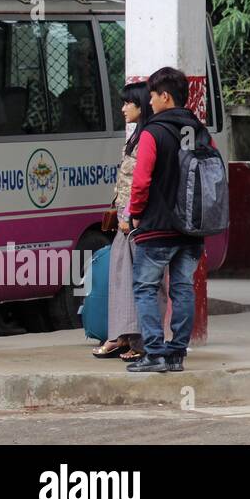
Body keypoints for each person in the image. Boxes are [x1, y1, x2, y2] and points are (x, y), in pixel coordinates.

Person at [125, 66, 212, 374]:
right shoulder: (200, 131)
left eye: (151, 95)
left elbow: (141, 181)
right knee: (182, 288)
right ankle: (176, 355)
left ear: (164, 96)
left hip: (157, 226)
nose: (149, 101)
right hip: (192, 228)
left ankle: (154, 352)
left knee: (146, 287)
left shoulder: (153, 132)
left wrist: (135, 213)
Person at [92, 82, 154, 362]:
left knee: (138, 282)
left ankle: (137, 341)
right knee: (120, 279)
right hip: (124, 221)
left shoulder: (148, 139)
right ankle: (122, 336)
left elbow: (142, 184)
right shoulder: (135, 137)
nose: (123, 108)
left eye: (128, 103)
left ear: (141, 106)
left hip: (135, 223)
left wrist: (131, 216)